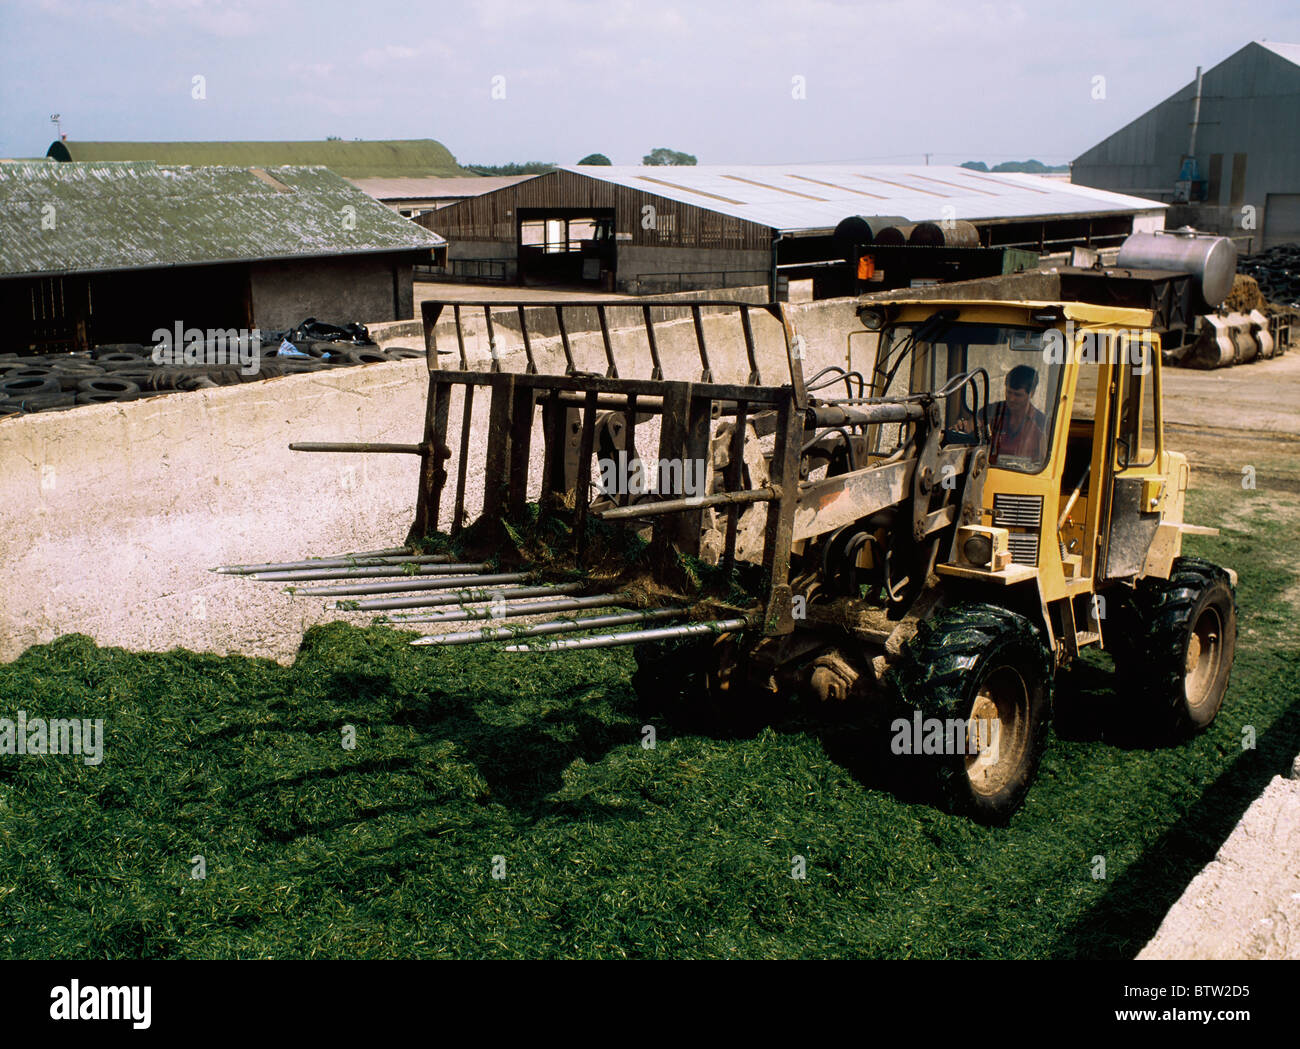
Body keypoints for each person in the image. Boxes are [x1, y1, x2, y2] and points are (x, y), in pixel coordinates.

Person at [988, 364, 1048, 462]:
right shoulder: (992, 412)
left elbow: (1045, 460)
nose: (1011, 399)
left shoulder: (1042, 424)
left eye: (1018, 395)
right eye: (1008, 392)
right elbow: (971, 427)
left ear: (1031, 393)